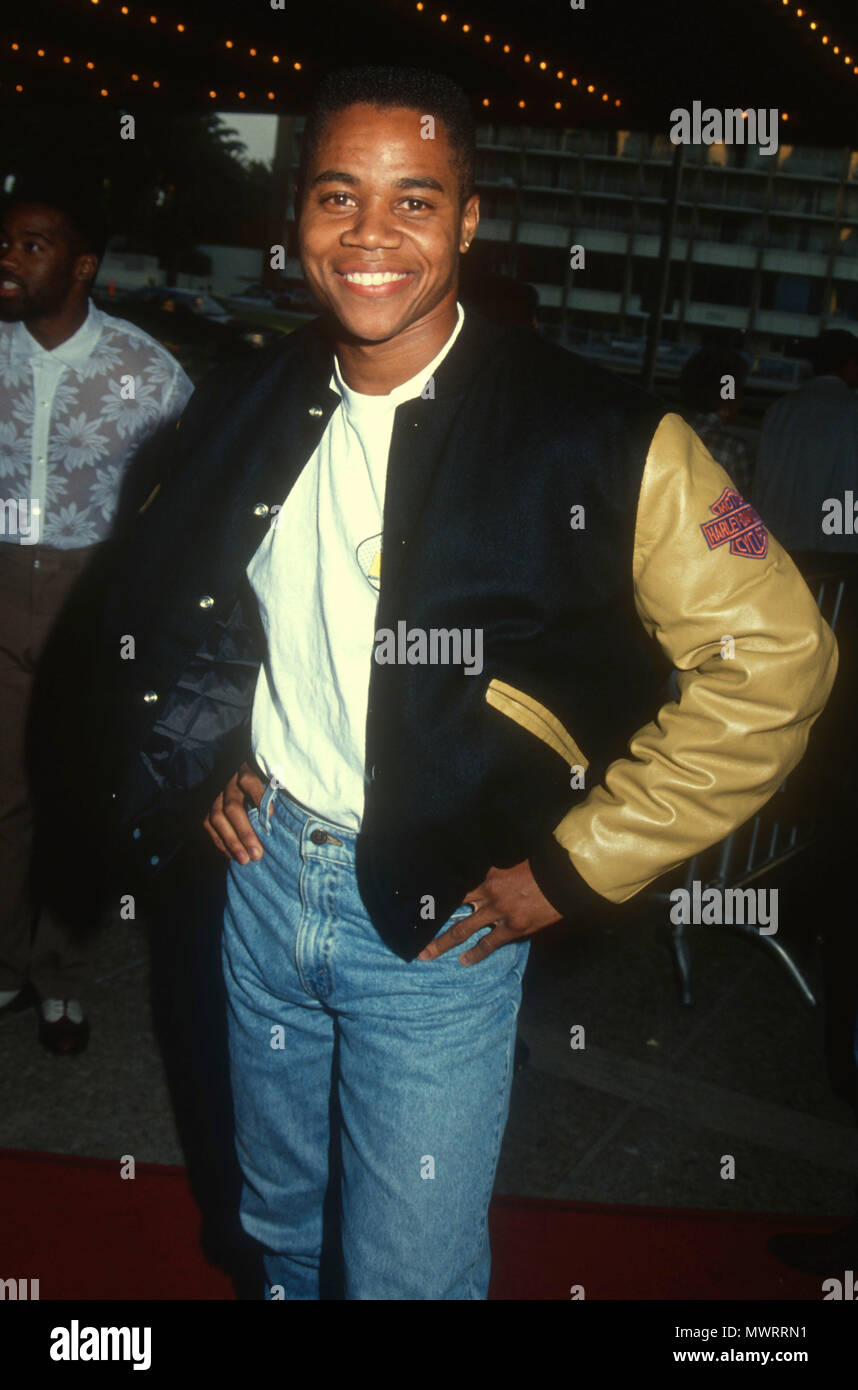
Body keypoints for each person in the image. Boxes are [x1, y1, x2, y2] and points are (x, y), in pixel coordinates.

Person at [86, 66, 836, 1299]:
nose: (371, 235)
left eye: (415, 200)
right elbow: (183, 601)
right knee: (278, 1227)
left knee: (405, 1277)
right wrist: (216, 745)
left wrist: (576, 861)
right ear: (297, 219)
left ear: (470, 221)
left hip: (438, 923)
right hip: (265, 882)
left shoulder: (601, 431)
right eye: (338, 195)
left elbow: (778, 658)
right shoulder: (252, 396)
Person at [0, 183, 193, 1053]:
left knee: (74, 802)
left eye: (32, 245)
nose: (9, 258)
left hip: (93, 601)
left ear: (82, 266)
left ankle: (63, 980)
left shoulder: (146, 372)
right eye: (6, 243)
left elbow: (191, 501)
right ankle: (5, 966)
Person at [754, 329, 858, 555]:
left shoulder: (780, 409)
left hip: (778, 544)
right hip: (837, 552)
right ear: (850, 365)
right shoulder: (852, 411)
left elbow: (762, 479)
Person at [678, 345, 753, 497]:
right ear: (728, 399)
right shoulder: (734, 449)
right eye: (740, 391)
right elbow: (744, 506)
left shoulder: (669, 432)